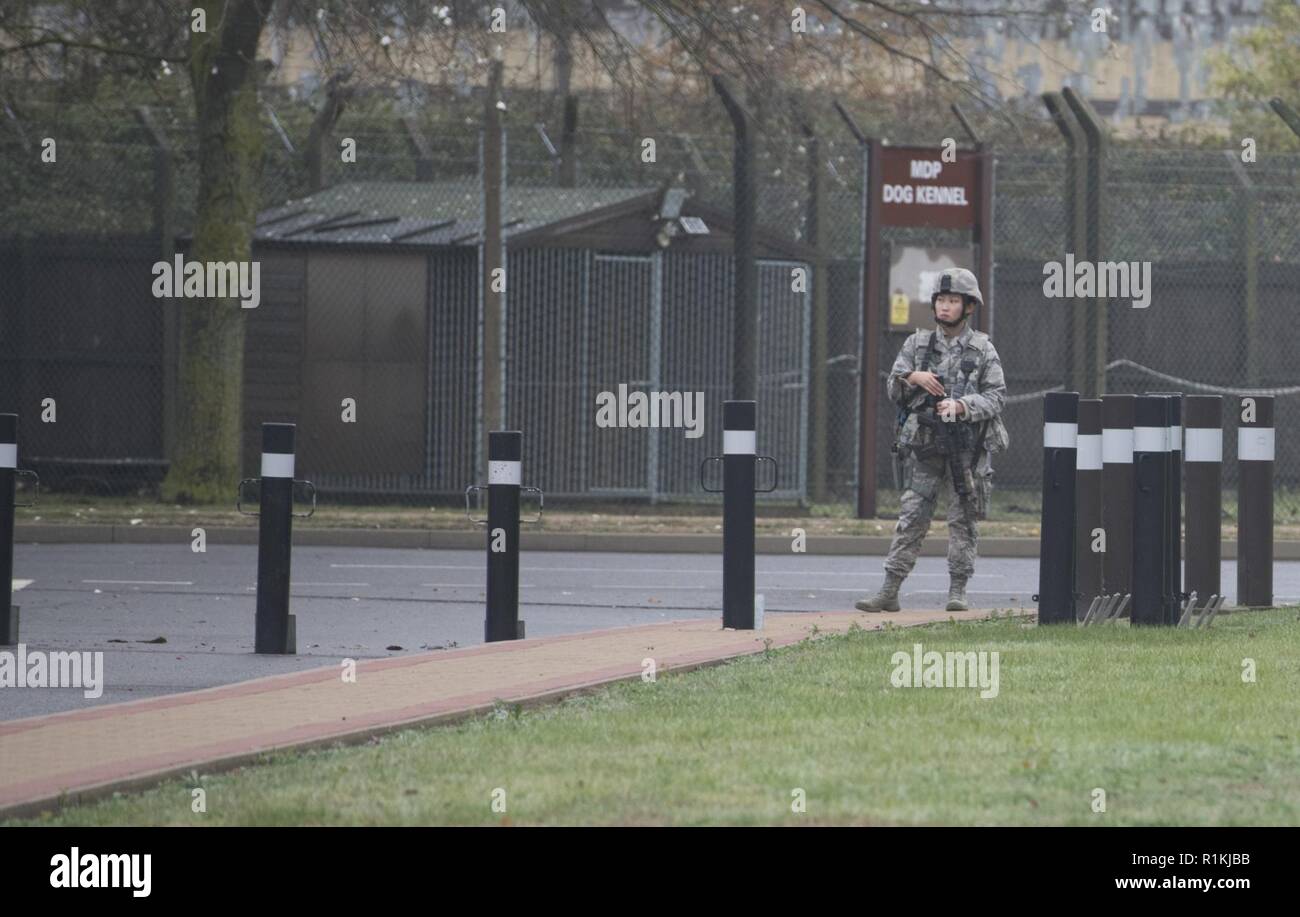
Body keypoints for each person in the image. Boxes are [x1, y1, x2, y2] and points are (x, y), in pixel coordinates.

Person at [855, 268, 1008, 613]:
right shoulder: (917, 344)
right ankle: (889, 590)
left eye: (953, 301)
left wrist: (962, 406)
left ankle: (957, 591)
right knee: (911, 516)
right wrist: (913, 376)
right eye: (941, 299)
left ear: (969, 307)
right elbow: (893, 388)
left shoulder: (982, 348)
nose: (945, 306)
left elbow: (997, 397)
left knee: (963, 520)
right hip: (925, 447)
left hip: (966, 452)